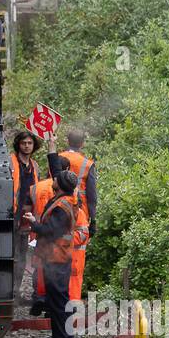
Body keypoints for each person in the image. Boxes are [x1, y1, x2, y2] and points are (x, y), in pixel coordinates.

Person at [22, 169, 87, 338]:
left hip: (57, 257)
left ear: (60, 185)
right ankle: (59, 336)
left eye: (56, 178)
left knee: (59, 301)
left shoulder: (62, 206)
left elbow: (51, 231)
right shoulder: (63, 200)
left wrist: (34, 223)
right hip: (55, 256)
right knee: (55, 299)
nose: (53, 179)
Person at [58, 128, 97, 302]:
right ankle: (72, 297)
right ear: (82, 143)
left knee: (57, 252)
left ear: (67, 140)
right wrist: (93, 219)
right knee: (76, 255)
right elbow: (92, 195)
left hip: (58, 209)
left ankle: (55, 294)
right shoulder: (87, 164)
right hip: (80, 213)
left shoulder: (57, 158)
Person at [10, 130, 43, 296]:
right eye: (24, 143)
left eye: (30, 143)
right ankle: (6, 287)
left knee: (22, 255)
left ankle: (15, 289)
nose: (27, 146)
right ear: (19, 144)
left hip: (27, 216)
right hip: (11, 214)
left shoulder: (35, 166)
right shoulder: (10, 162)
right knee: (10, 253)